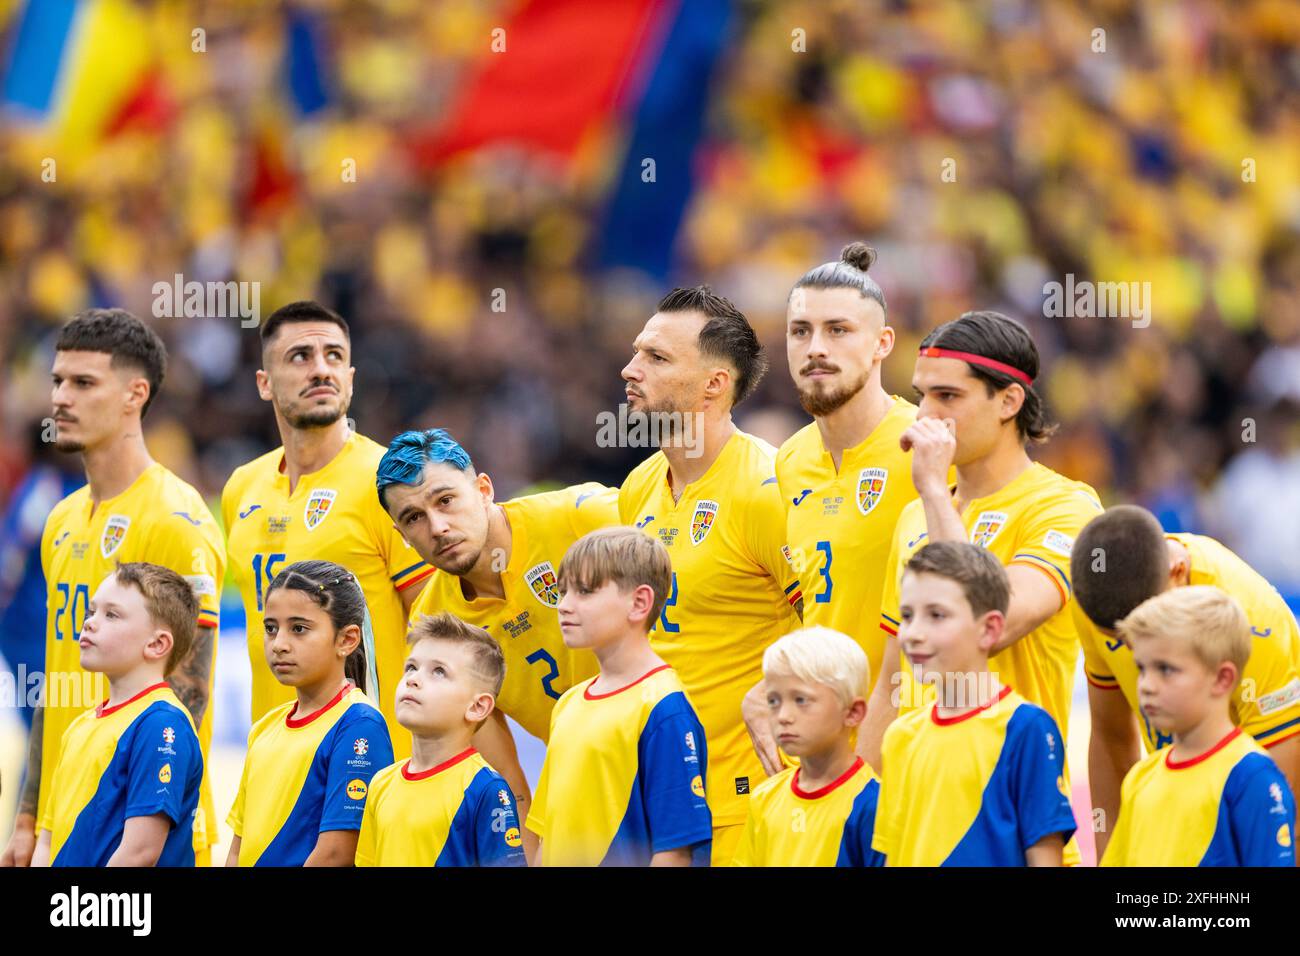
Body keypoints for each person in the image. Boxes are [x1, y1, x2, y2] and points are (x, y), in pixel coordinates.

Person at [2, 309, 224, 868]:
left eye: (83, 383)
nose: (60, 399)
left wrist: (142, 835)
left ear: (134, 394)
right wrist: (30, 817)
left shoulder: (175, 519)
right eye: (57, 381)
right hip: (65, 816)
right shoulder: (61, 520)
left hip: (139, 824)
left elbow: (188, 696)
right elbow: (56, 683)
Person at [864, 311, 1101, 784]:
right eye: (921, 396)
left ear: (1009, 401)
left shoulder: (1064, 508)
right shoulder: (915, 517)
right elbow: (893, 684)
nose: (926, 414)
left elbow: (993, 623)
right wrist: (856, 811)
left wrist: (933, 490)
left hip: (1010, 810)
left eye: (948, 396)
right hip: (919, 820)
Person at [618, 285, 801, 864]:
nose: (630, 369)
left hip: (747, 808)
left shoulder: (767, 492)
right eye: (637, 352)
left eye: (657, 358)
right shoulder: (638, 489)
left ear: (714, 385)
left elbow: (828, 628)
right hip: (656, 808)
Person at [375, 427, 616, 842]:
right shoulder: (436, 624)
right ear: (402, 536)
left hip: (679, 744)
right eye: (414, 517)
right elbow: (508, 781)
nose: (437, 527)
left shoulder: (584, 518)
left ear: (484, 489)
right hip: (587, 783)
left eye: (446, 500)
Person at [222, 301, 430, 757]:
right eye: (300, 357)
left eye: (334, 356)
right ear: (264, 383)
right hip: (273, 768)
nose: (321, 369)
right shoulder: (241, 489)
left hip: (368, 769)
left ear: (351, 378)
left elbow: (438, 633)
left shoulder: (389, 482)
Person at [1071, 504, 1300, 857]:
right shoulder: (1095, 595)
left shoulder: (1259, 624)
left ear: (1176, 572)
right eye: (1117, 640)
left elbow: (1285, 819)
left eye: (1163, 667)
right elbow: (1110, 736)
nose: (1134, 663)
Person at [776, 242, 922, 707]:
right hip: (825, 748)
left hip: (908, 743)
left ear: (883, 343)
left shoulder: (928, 445)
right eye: (801, 331)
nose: (816, 348)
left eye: (838, 330)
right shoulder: (790, 460)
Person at [872, 542, 1076, 866]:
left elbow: (1044, 856)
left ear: (989, 629)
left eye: (936, 615)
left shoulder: (1024, 729)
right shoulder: (900, 737)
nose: (913, 633)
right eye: (907, 616)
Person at [526, 528, 712, 866]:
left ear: (639, 602)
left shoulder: (663, 708)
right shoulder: (568, 704)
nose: (564, 606)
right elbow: (546, 836)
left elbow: (675, 851)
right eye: (562, 591)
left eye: (584, 591)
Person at [1100, 586, 1296, 867]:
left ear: (1222, 679)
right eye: (1141, 668)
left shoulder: (1250, 778)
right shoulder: (1140, 778)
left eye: (1165, 669)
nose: (1146, 685)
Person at [32, 563, 204, 867]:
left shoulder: (161, 725)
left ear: (156, 644)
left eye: (111, 615)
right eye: (91, 611)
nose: (89, 623)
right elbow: (47, 841)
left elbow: (139, 853)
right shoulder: (80, 726)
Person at [225, 561, 393, 867]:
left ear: (347, 639)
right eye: (271, 628)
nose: (279, 645)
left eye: (299, 629)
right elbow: (238, 848)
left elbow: (336, 855)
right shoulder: (265, 727)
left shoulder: (358, 725)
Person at [355, 612, 526, 867]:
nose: (413, 679)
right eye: (411, 667)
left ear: (478, 707)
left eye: (439, 672)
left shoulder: (485, 789)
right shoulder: (380, 784)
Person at [733, 626, 882, 867]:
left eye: (801, 700)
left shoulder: (873, 805)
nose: (783, 716)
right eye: (773, 701)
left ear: (853, 712)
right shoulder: (764, 799)